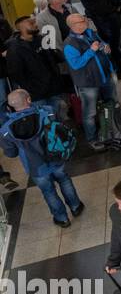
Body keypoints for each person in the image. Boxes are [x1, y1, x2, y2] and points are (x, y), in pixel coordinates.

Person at [1, 89, 85, 226]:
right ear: (28, 99)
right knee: (64, 180)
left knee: (48, 191)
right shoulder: (48, 112)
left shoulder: (5, 130)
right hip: (56, 157)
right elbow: (60, 129)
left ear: (10, 107)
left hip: (35, 167)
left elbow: (11, 153)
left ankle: (62, 218)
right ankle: (76, 207)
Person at [64, 13, 121, 151]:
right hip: (89, 84)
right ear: (73, 26)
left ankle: (120, 130)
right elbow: (76, 64)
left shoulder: (90, 33)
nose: (85, 21)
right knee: (90, 113)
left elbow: (101, 43)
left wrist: (105, 47)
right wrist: (91, 51)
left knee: (114, 104)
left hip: (105, 77)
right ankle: (92, 139)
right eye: (82, 21)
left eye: (84, 19)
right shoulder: (69, 44)